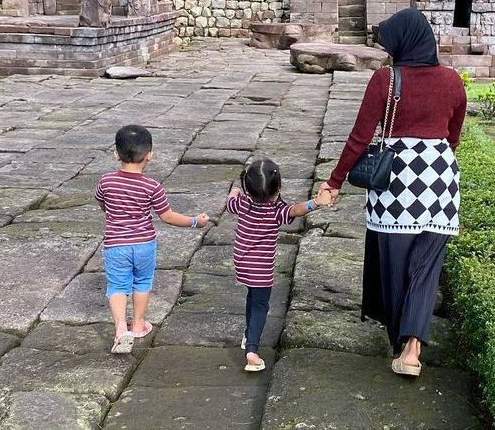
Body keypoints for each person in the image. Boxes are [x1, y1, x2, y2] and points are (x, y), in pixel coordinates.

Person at [320, 8, 466, 377]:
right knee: (426, 267)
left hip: (397, 182)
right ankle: (413, 347)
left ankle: (403, 344)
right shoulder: (452, 79)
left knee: (396, 265)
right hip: (441, 179)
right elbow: (454, 134)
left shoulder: (386, 79)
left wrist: (334, 181)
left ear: (402, 42)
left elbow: (359, 137)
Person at [95, 124, 210, 354]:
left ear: (116, 154)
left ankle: (120, 328)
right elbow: (167, 216)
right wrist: (195, 221)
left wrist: (113, 211)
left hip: (116, 245)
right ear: (150, 155)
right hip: (145, 244)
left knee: (117, 285)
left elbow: (102, 202)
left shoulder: (106, 181)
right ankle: (138, 324)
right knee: (142, 282)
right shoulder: (152, 187)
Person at [227, 158, 332, 372]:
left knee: (252, 297)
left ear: (248, 186)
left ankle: (249, 334)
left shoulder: (242, 203)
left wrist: (235, 190)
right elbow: (296, 210)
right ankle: (252, 352)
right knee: (260, 305)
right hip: (261, 268)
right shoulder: (276, 211)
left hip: (242, 263)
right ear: (278, 188)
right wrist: (316, 203)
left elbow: (230, 202)